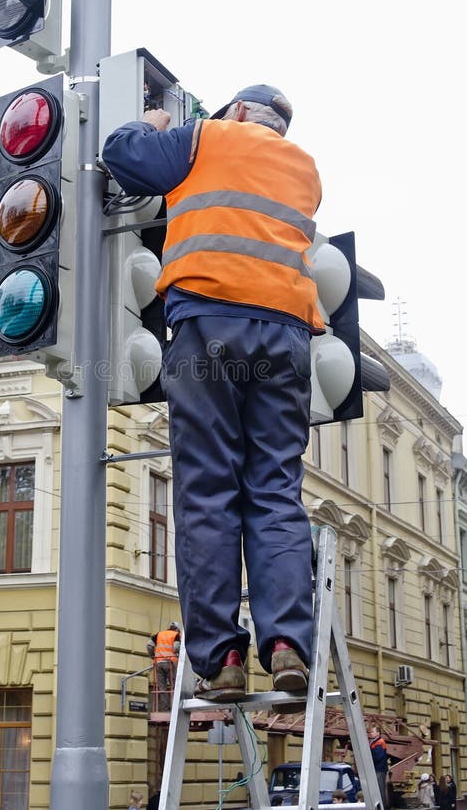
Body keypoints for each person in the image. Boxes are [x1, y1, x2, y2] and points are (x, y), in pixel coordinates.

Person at [103, 84, 324, 702]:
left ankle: (222, 657)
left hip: (208, 328)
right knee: (275, 492)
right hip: (286, 338)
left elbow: (123, 154)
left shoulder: (205, 137)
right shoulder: (304, 169)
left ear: (234, 113)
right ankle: (286, 646)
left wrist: (148, 118)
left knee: (208, 491)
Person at [146, 622, 181, 710]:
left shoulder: (159, 634)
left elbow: (149, 645)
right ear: (177, 629)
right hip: (170, 662)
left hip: (158, 662)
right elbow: (176, 647)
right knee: (174, 686)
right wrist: (180, 656)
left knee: (162, 687)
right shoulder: (176, 635)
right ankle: (174, 707)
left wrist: (153, 656)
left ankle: (165, 708)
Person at [368, 724, 389, 809]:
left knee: (380, 789)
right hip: (378, 769)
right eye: (370, 732)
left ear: (378, 733)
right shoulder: (375, 742)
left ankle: (381, 807)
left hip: (379, 769)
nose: (371, 733)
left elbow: (378, 757)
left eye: (372, 732)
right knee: (378, 789)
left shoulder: (380, 742)